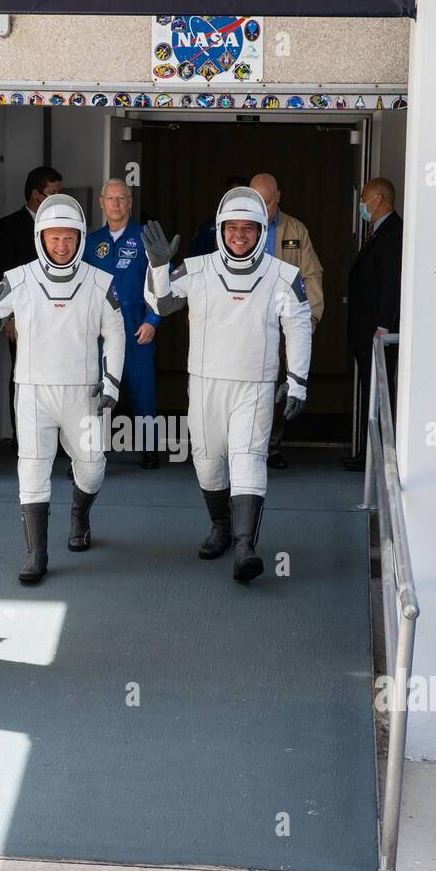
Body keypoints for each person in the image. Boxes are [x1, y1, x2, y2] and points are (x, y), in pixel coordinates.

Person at [144, 187, 312, 583]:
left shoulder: (283, 275)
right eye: (232, 228)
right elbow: (160, 305)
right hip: (204, 384)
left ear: (260, 231)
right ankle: (221, 526)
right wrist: (157, 268)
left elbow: (299, 326)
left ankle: (244, 546)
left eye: (248, 228)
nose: (240, 235)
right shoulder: (196, 267)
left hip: (254, 384)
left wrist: (298, 381)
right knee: (206, 461)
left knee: (249, 457)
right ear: (220, 229)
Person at [0, 194, 125, 584]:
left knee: (92, 469)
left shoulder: (100, 282)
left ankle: (80, 513)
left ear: (80, 239)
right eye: (54, 238)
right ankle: (36, 553)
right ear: (41, 238)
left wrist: (112, 382)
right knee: (33, 468)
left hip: (83, 391)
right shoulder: (18, 279)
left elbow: (116, 333)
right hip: (34, 390)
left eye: (69, 238)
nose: (62, 246)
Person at [84, 178, 163, 467]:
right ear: (101, 203)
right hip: (100, 327)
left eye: (121, 199)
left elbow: (159, 283)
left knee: (142, 388)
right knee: (96, 387)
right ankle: (90, 451)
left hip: (135, 323)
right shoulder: (90, 242)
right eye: (110, 199)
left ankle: (149, 448)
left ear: (130, 202)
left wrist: (153, 320)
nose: (116, 204)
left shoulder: (145, 238)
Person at [249, 172, 324, 469]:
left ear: (278, 196)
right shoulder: (239, 228)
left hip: (285, 321)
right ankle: (246, 446)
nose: (261, 208)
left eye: (266, 201)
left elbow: (312, 275)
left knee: (280, 383)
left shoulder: (295, 229)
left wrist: (312, 319)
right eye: (255, 200)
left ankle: (272, 446)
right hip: (248, 321)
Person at [0, 165, 63, 444]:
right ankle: (23, 439)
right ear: (36, 195)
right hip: (22, 314)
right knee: (22, 375)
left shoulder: (61, 224)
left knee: (57, 376)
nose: (59, 199)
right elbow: (1, 274)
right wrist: (8, 317)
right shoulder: (8, 226)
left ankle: (56, 440)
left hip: (58, 311)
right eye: (53, 193)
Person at [345, 177, 403, 470]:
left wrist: (383, 325)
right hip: (367, 330)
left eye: (364, 199)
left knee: (379, 392)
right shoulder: (378, 231)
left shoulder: (392, 234)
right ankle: (369, 455)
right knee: (371, 389)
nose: (361, 206)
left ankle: (377, 458)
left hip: (377, 331)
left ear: (378, 200)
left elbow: (391, 284)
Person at [189, 174, 249, 257]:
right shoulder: (207, 228)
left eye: (241, 195)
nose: (236, 199)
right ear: (225, 194)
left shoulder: (255, 228)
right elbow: (194, 258)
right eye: (233, 194)